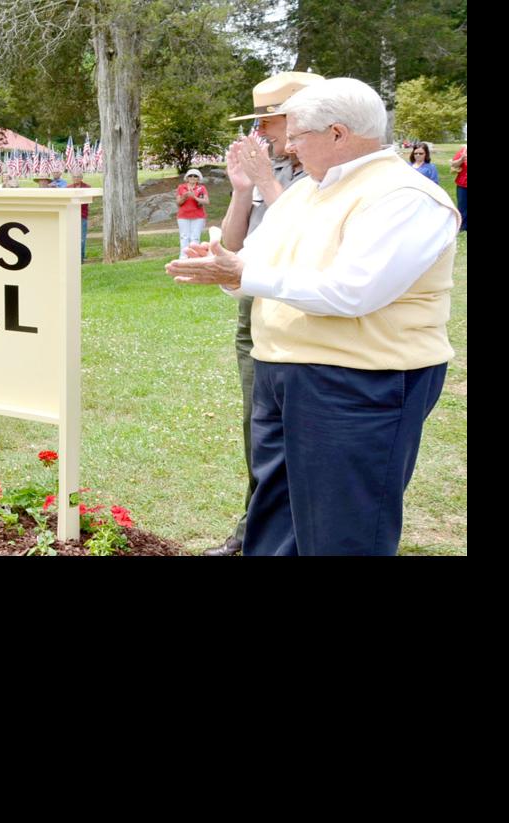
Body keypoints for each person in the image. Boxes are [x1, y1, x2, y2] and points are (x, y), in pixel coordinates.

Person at [165, 77, 458, 556]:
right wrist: (220, 264)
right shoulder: (306, 193)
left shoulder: (403, 196)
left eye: (297, 136)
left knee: (342, 529)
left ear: (338, 134)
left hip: (362, 382)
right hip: (283, 374)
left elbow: (353, 293)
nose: (290, 148)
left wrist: (243, 272)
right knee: (275, 519)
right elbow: (257, 263)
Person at [198, 69, 323, 555]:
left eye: (270, 120)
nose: (262, 132)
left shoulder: (324, 174)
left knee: (298, 439)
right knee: (259, 431)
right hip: (256, 311)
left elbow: (309, 239)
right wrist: (239, 188)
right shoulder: (273, 169)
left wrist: (267, 180)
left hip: (301, 313)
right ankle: (254, 529)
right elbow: (232, 244)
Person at [175, 169, 208, 257]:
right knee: (184, 237)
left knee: (195, 237)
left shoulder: (201, 188)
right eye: (190, 175)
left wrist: (195, 197)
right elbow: (178, 202)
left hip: (198, 216)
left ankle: (194, 257)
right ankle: (183, 258)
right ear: (187, 177)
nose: (192, 178)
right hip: (183, 216)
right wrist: (185, 196)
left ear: (198, 178)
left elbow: (206, 201)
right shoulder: (181, 187)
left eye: (195, 176)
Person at [67, 171, 91, 262]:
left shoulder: (87, 188)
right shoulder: (68, 188)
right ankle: (72, 258)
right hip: (70, 215)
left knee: (81, 238)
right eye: (74, 176)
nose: (76, 178)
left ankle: (80, 258)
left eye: (78, 176)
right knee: (71, 237)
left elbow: (88, 200)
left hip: (82, 215)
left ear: (81, 178)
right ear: (72, 178)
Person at [451, 145, 466, 230]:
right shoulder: (464, 150)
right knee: (462, 206)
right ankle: (462, 226)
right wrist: (461, 159)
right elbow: (453, 164)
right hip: (462, 183)